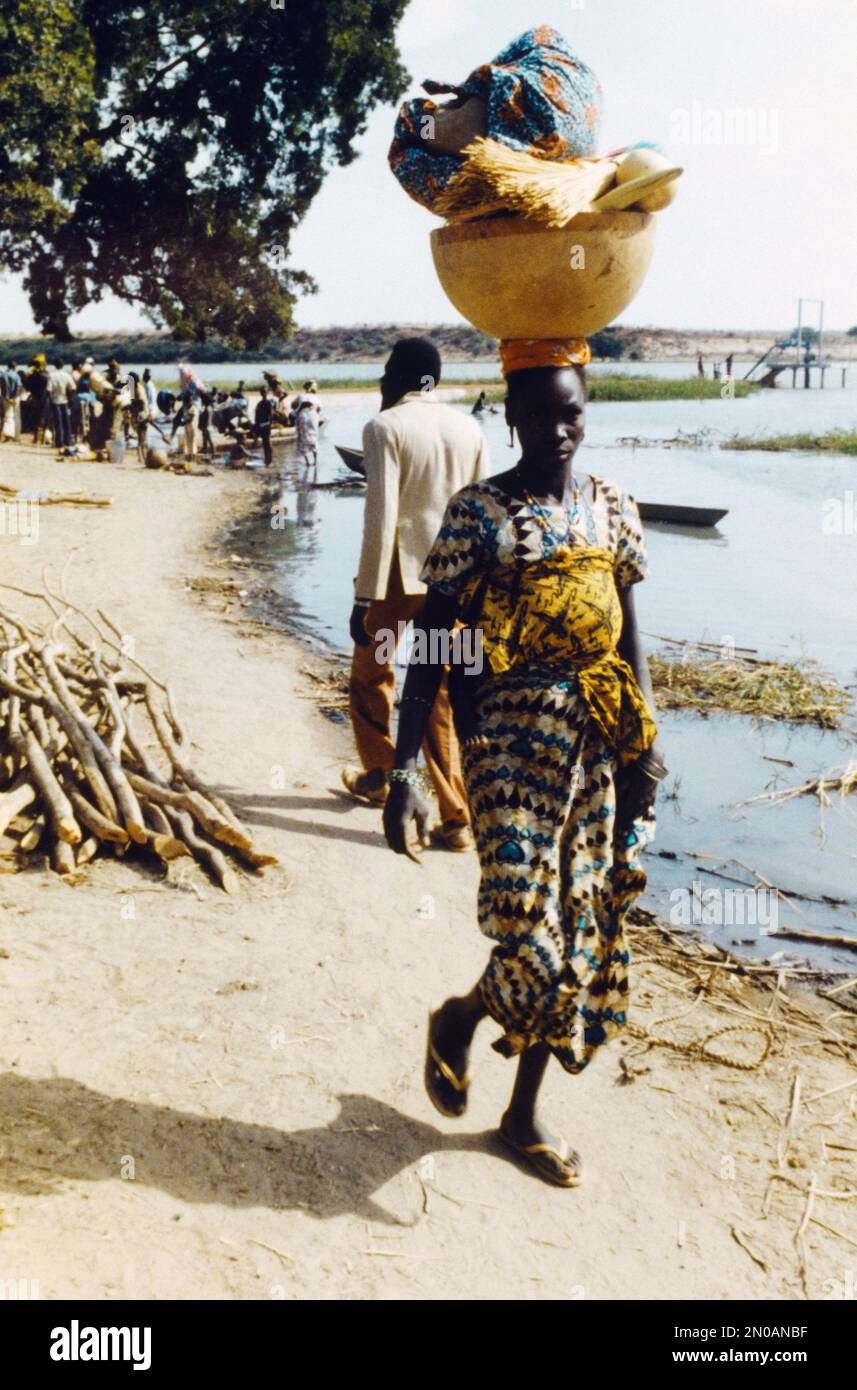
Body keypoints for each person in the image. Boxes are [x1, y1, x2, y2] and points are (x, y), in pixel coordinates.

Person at [382, 343, 666, 1187]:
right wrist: (403, 774)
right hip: (507, 746)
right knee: (523, 927)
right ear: (510, 419)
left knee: (580, 928)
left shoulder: (613, 507)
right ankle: (462, 1017)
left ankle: (520, 1114)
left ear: (587, 410)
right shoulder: (478, 513)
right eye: (539, 414)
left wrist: (644, 737)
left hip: (598, 738)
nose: (558, 428)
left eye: (571, 410)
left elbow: (628, 628)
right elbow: (430, 647)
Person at [342, 336, 490, 850]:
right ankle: (455, 815)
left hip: (395, 582)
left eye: (387, 370)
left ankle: (384, 772)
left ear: (403, 375)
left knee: (370, 675)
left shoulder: (384, 427)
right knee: (441, 693)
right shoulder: (469, 428)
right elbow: (482, 512)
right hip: (452, 586)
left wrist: (364, 597)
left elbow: (380, 517)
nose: (381, 379)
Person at [48, 360, 75, 449]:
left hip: (55, 401)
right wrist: (70, 398)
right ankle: (68, 441)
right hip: (65, 400)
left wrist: (50, 400)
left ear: (55, 365)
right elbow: (73, 388)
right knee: (67, 422)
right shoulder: (67, 375)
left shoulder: (51, 375)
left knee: (58, 422)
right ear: (63, 365)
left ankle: (59, 442)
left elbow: (49, 390)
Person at [0, 361, 22, 441]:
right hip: (15, 398)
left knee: (8, 415)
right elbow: (19, 388)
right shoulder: (16, 376)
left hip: (5, 398)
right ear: (15, 367)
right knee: (16, 417)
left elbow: (1, 387)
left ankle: (7, 433)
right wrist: (14, 397)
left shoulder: (3, 375)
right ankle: (16, 436)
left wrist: (7, 397)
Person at [295, 396, 319, 466]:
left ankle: (307, 462)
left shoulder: (300, 414)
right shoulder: (313, 413)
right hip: (313, 435)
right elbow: (316, 423)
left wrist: (298, 434)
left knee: (304, 449)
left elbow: (298, 425)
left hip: (304, 435)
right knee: (314, 448)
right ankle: (315, 461)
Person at [254, 384, 274, 466]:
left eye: (265, 392)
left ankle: (269, 461)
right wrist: (257, 425)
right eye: (262, 392)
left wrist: (267, 424)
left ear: (267, 392)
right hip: (261, 425)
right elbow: (257, 416)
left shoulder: (268, 403)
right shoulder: (260, 403)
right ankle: (267, 461)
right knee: (265, 443)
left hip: (266, 425)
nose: (263, 393)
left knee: (268, 443)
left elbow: (270, 416)